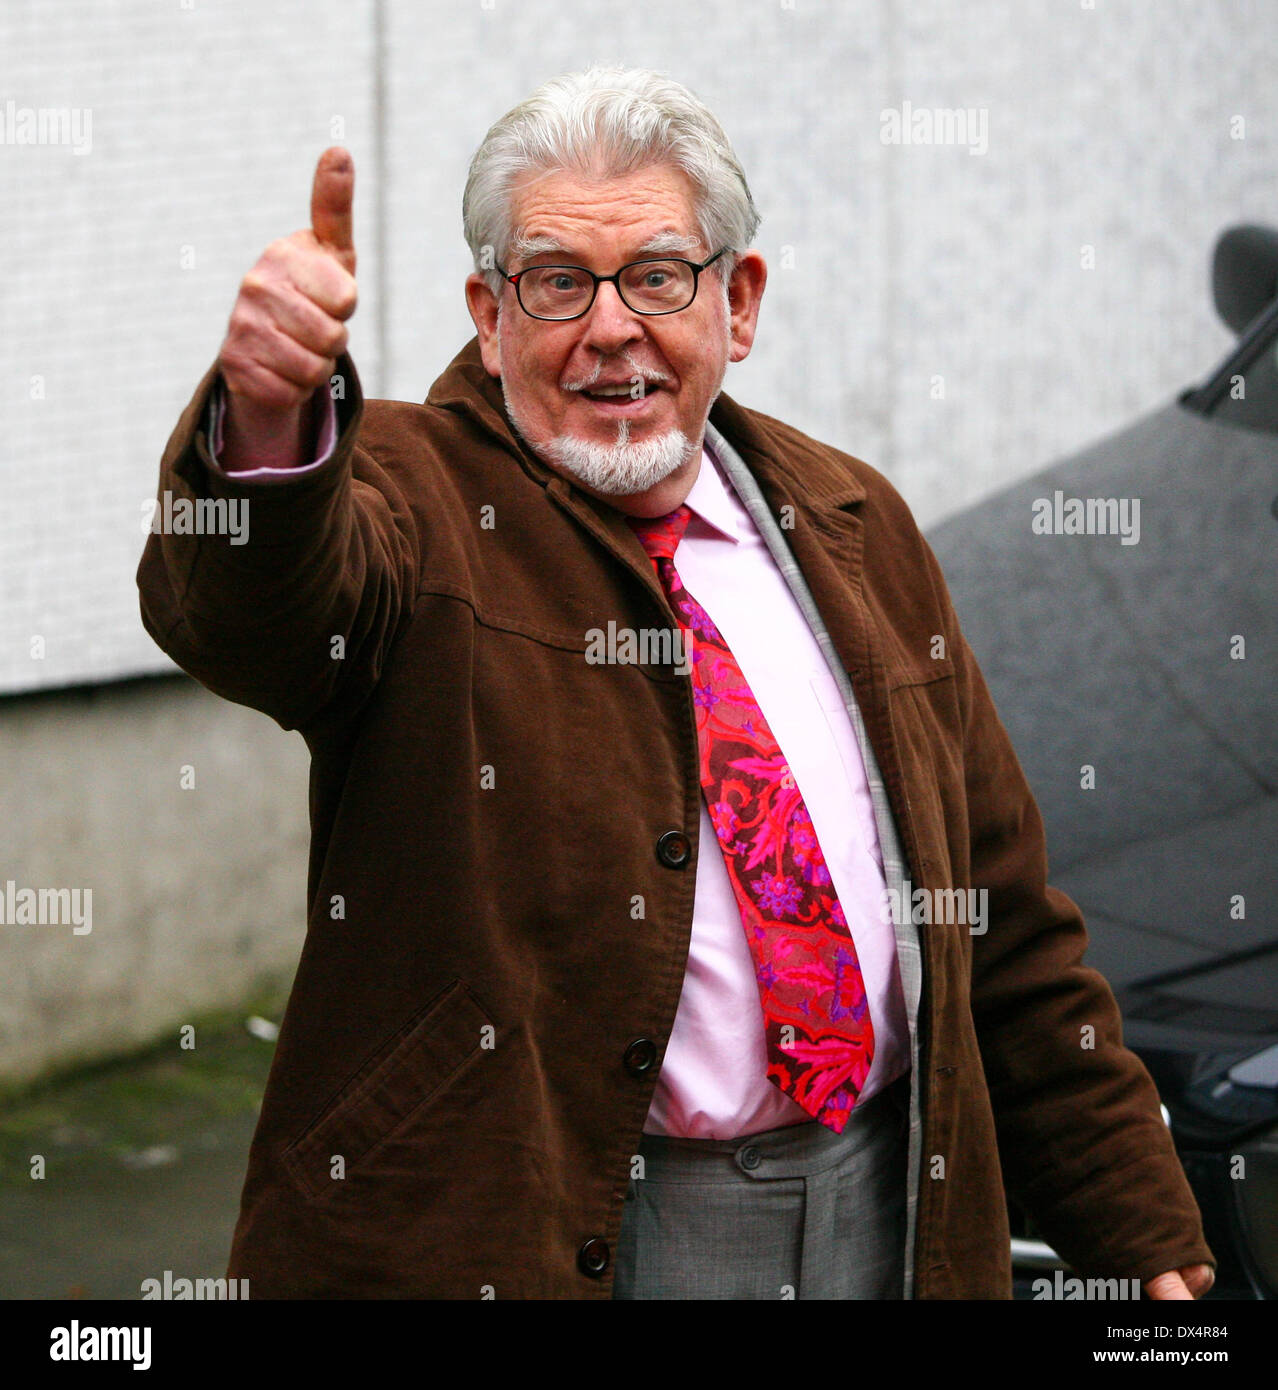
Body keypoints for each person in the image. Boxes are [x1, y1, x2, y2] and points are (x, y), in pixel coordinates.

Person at [137, 66, 1214, 1299]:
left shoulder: (857, 524)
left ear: (736, 303)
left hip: (890, 1216)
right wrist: (269, 427)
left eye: (657, 275)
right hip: (540, 1228)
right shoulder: (410, 498)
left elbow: (1002, 912)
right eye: (556, 282)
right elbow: (255, 617)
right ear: (488, 317)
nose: (611, 328)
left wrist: (1134, 1214)